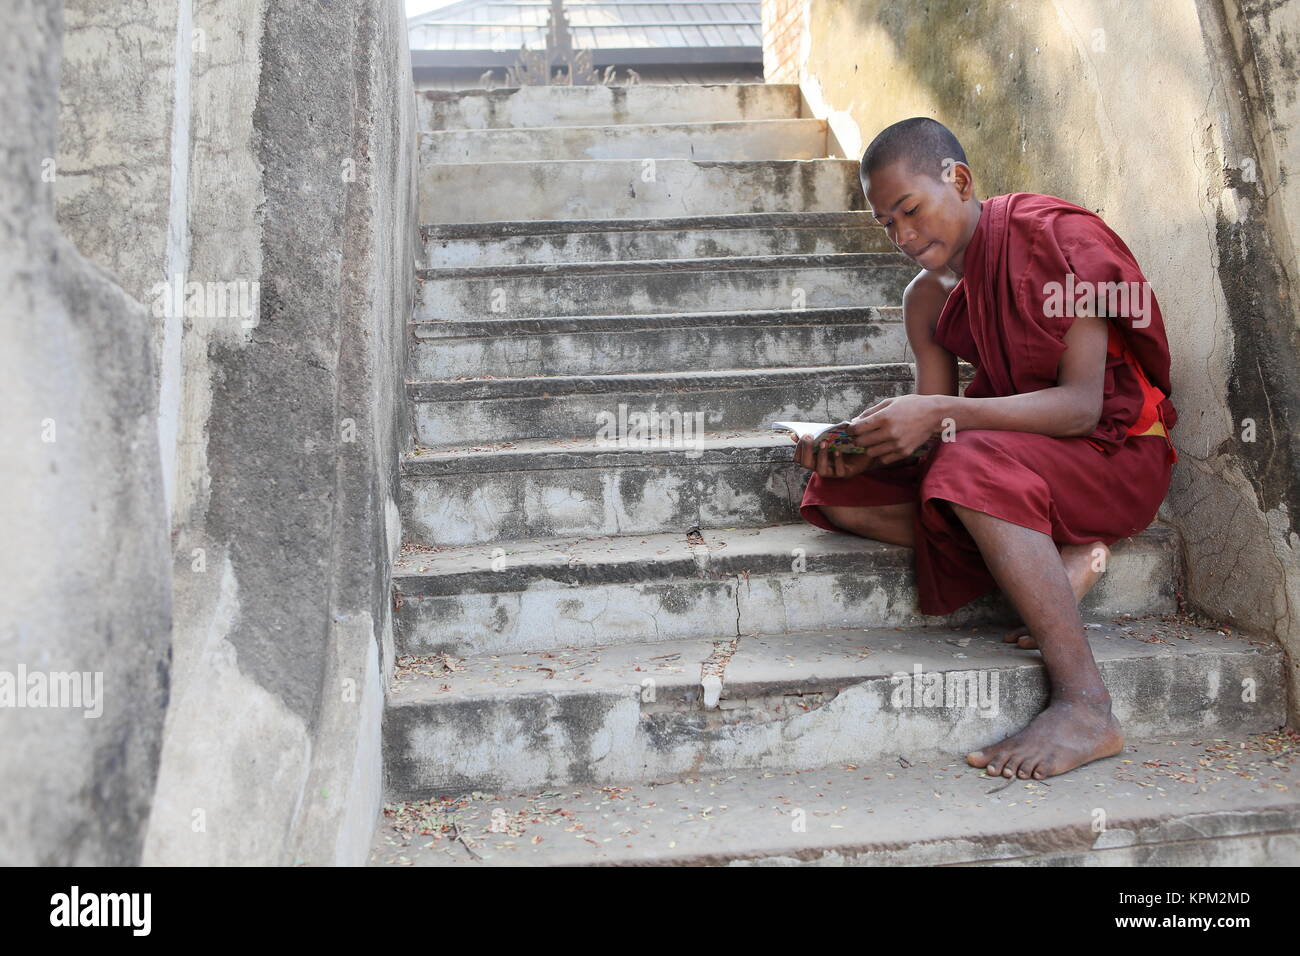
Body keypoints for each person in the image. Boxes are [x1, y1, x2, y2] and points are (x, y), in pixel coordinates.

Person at [793, 117, 1178, 781]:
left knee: (969, 465)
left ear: (959, 180)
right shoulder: (925, 300)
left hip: (1111, 457)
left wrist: (942, 413)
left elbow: (1082, 405)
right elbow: (937, 440)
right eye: (888, 224)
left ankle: (1086, 704)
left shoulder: (1053, 239)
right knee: (838, 494)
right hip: (1014, 464)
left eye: (910, 210)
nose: (905, 237)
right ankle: (1059, 562)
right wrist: (861, 447)